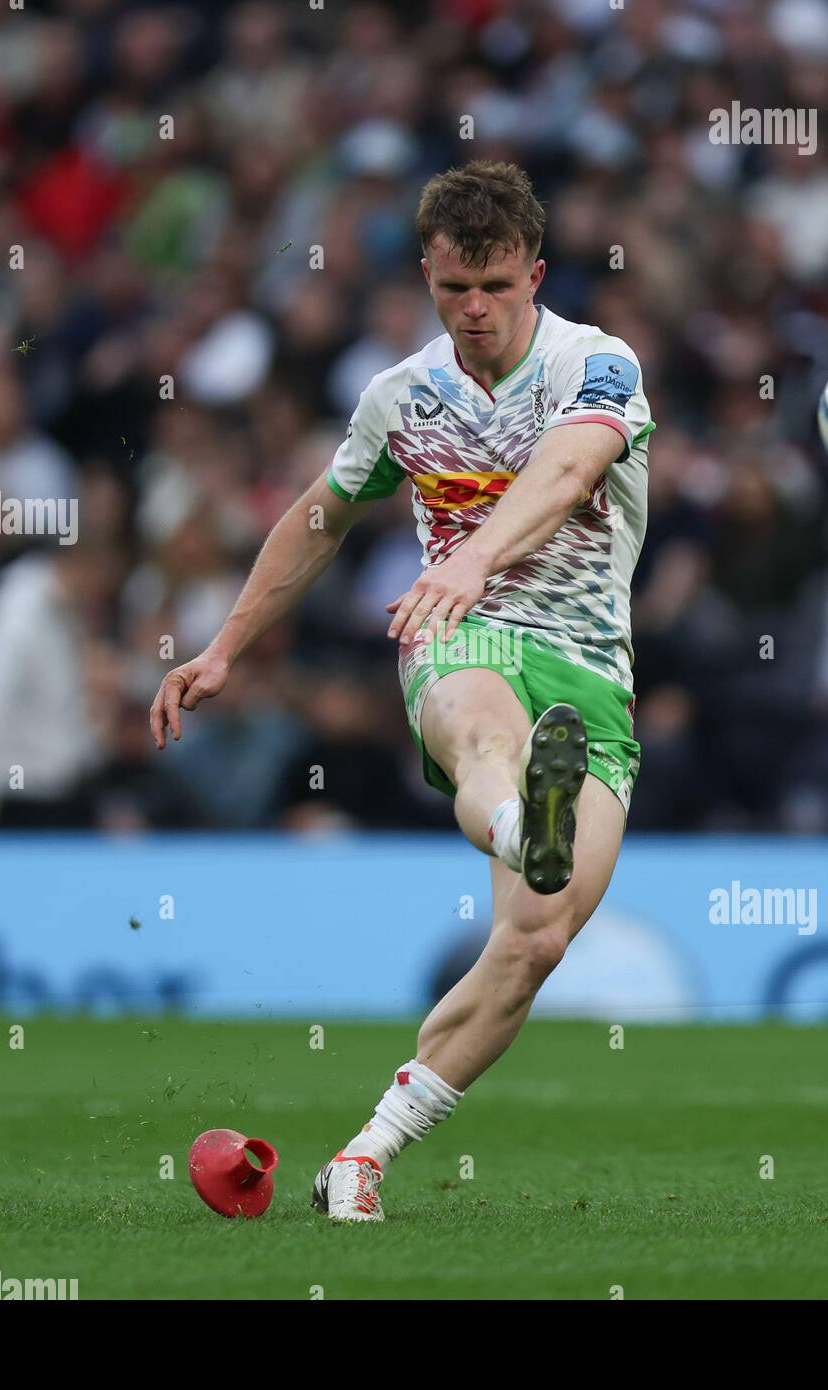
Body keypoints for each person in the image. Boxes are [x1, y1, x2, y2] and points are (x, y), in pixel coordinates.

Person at [149, 161, 655, 1221]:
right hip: (456, 635)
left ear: (535, 276)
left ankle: (363, 1155)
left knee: (534, 946)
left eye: (495, 288)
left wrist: (472, 553)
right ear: (426, 274)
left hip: (588, 665)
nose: (473, 311)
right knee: (483, 736)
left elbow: (567, 473)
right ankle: (525, 827)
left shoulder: (594, 365)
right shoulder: (402, 396)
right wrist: (226, 645)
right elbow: (319, 518)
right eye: (452, 289)